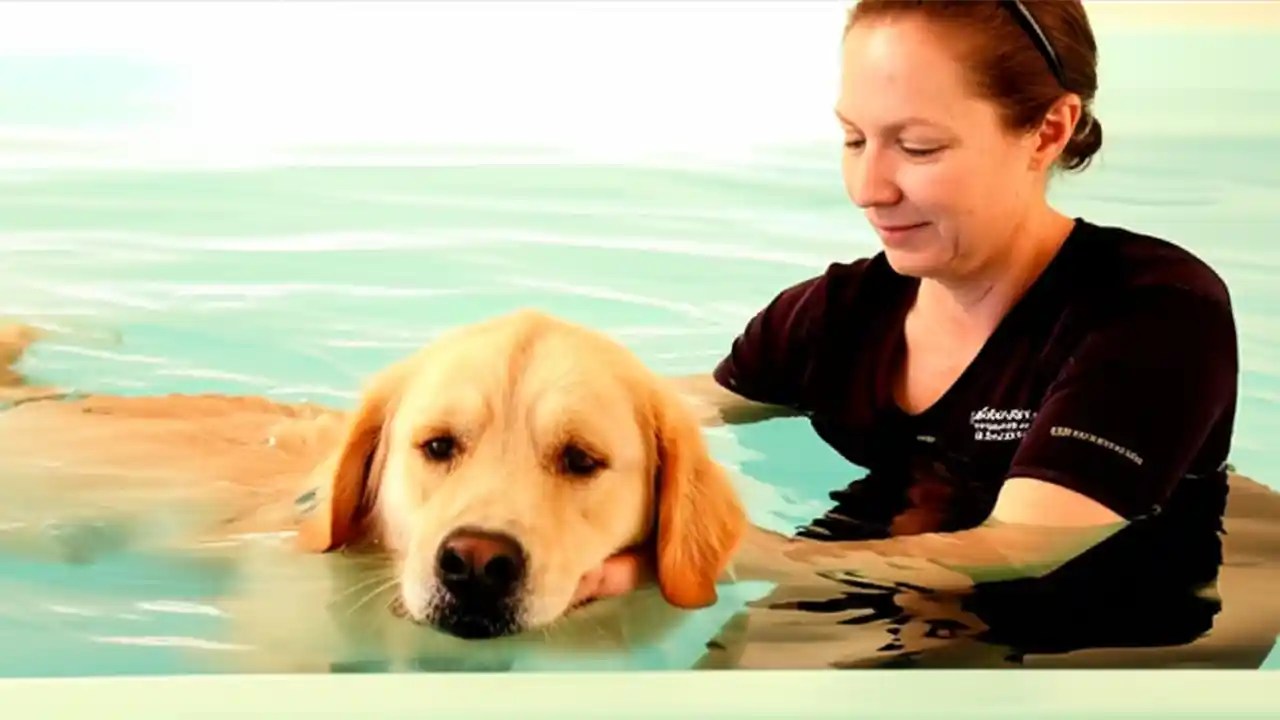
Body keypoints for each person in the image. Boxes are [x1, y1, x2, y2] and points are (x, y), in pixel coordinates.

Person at [573, 0, 1239, 604]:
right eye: (854, 139)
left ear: (1047, 131)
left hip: (1104, 616)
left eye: (918, 147)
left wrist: (717, 552)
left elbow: (1019, 549)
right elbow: (661, 413)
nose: (868, 188)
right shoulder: (839, 316)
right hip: (868, 555)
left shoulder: (1156, 313)